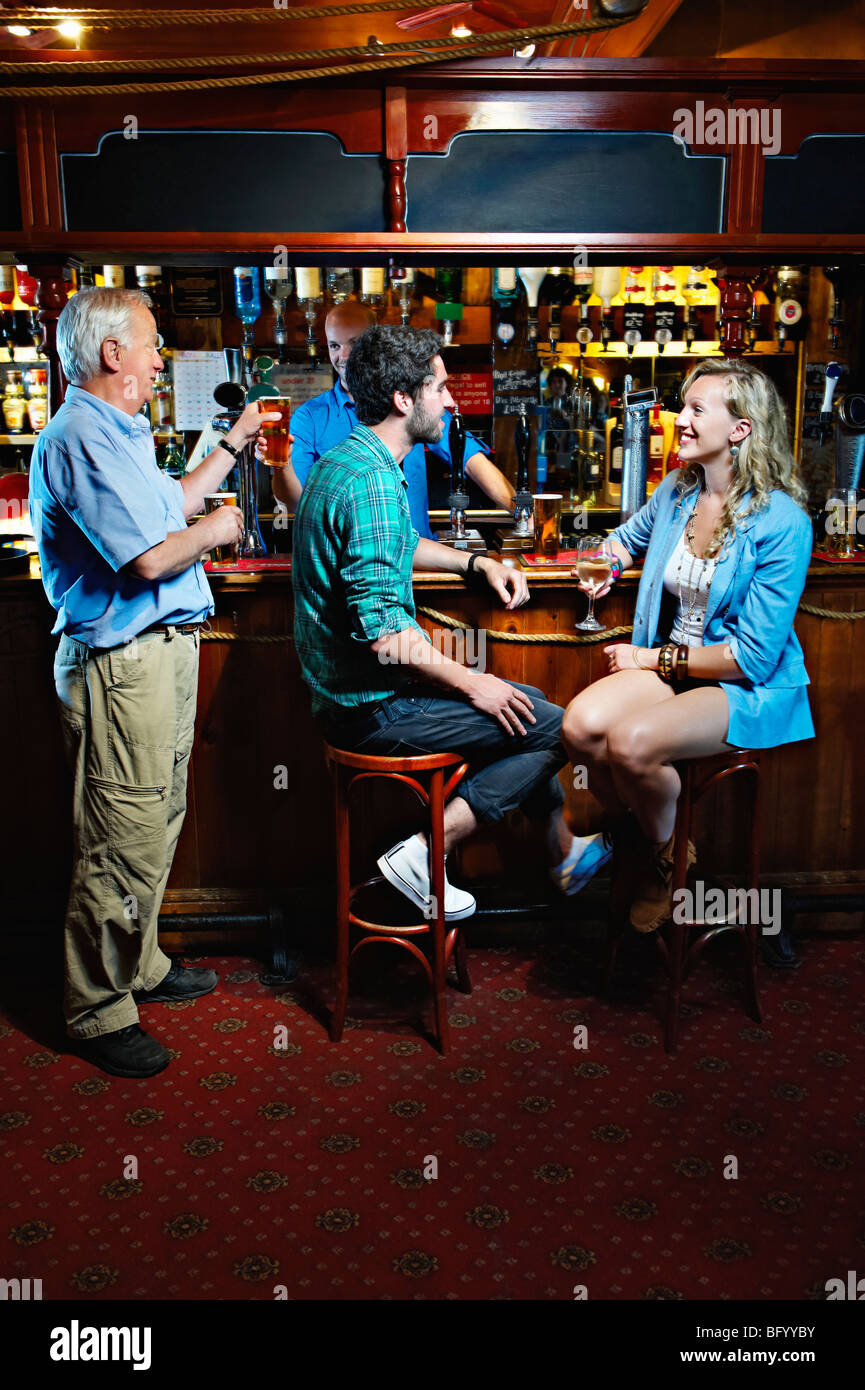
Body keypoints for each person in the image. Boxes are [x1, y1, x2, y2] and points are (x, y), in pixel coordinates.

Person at [29, 286, 276, 1079]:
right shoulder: (78, 437)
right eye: (150, 341)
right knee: (119, 835)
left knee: (157, 814)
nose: (159, 354)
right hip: (121, 663)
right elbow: (147, 558)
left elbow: (167, 503)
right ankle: (97, 1009)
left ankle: (137, 967)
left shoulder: (117, 431)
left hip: (160, 652)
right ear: (112, 355)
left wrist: (231, 447)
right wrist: (216, 531)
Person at [292, 324, 612, 918]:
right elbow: (385, 633)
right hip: (370, 708)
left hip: (344, 698)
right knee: (559, 728)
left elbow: (393, 545)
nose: (450, 400)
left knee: (528, 702)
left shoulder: (349, 462)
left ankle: (559, 852)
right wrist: (473, 683)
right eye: (439, 387)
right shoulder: (373, 482)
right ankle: (426, 849)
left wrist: (475, 561)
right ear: (403, 400)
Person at [561, 357, 814, 932]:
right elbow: (626, 538)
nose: (680, 419)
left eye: (697, 409)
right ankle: (655, 836)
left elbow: (751, 656)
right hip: (675, 666)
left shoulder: (784, 522)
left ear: (741, 429)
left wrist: (649, 658)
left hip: (743, 684)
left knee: (630, 743)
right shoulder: (679, 489)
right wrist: (607, 563)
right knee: (579, 727)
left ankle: (659, 858)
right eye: (684, 406)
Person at [271, 300, 516, 538]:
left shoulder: (413, 403)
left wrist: (523, 514)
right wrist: (279, 465)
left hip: (421, 559)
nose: (343, 356)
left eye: (354, 343)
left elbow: (472, 461)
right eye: (334, 346)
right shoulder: (310, 417)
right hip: (361, 559)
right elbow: (298, 504)